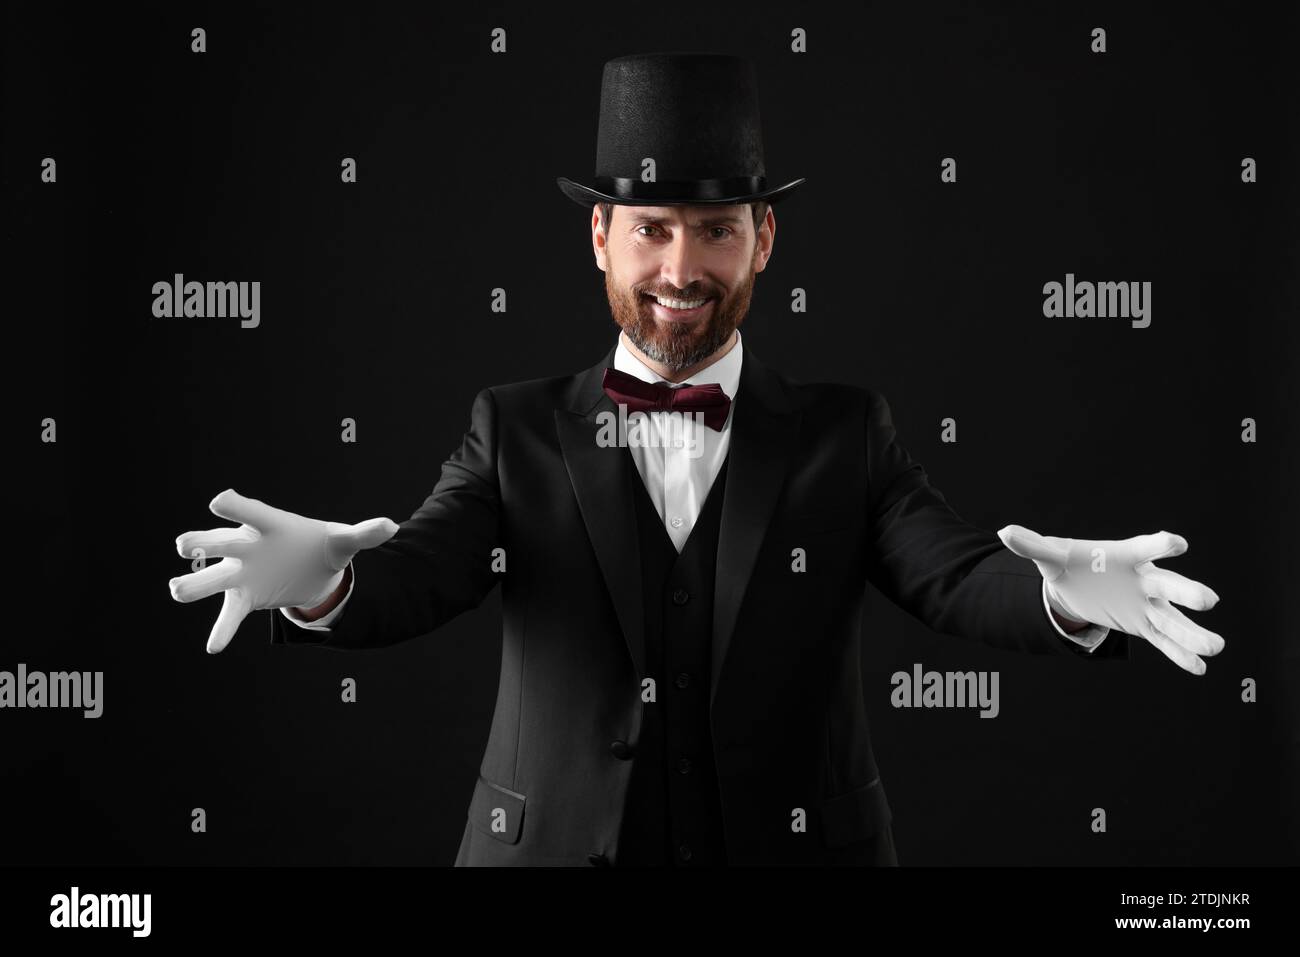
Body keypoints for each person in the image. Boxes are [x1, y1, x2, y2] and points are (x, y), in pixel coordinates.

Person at [167, 53, 1224, 866]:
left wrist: (1065, 597)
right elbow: (423, 570)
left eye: (714, 231)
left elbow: (951, 576)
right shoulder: (513, 426)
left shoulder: (845, 432)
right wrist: (326, 581)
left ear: (764, 238)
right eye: (652, 230)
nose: (683, 268)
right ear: (600, 238)